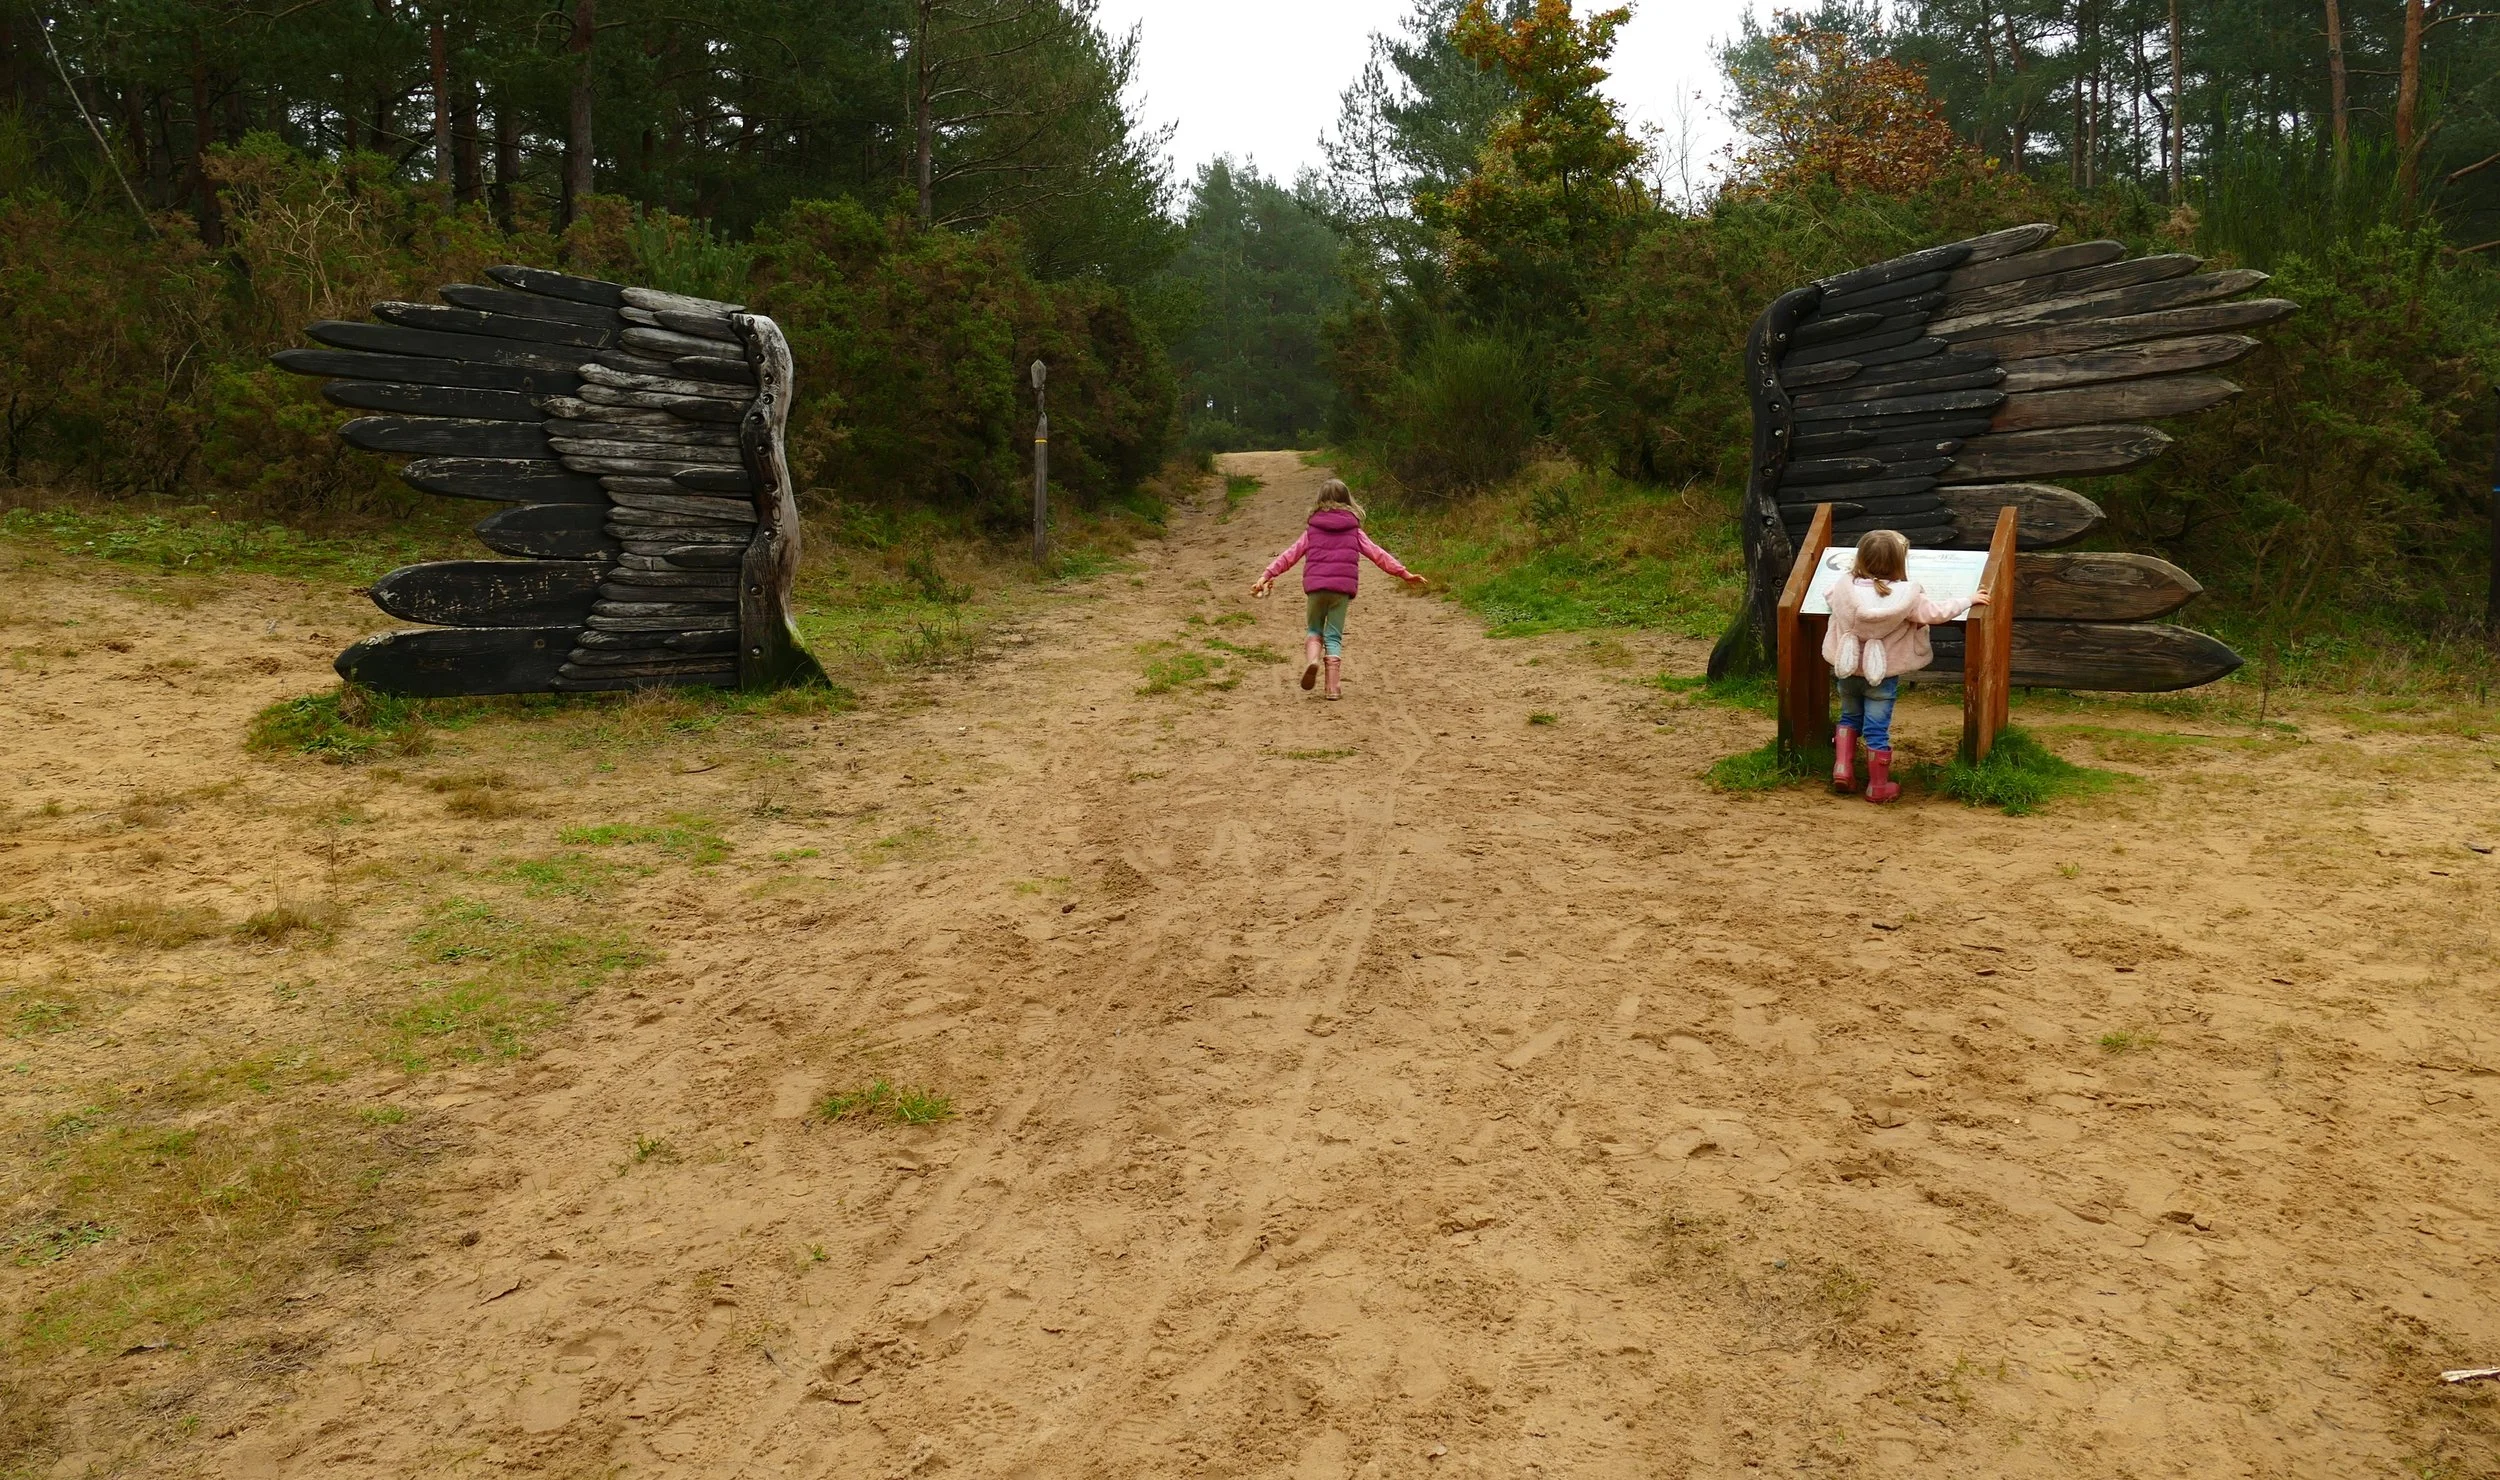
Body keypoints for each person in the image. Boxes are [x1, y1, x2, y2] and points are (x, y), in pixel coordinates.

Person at [1822, 529, 1988, 803]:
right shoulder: (1907, 596)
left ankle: (1842, 769)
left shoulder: (1843, 588)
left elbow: (1830, 597)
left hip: (1848, 670)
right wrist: (1967, 600)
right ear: (1900, 562)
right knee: (1877, 728)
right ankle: (1877, 786)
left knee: (1849, 717)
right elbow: (1935, 613)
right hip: (1882, 676)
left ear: (1860, 559)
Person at [1250, 479, 1425, 700]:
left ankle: (1313, 660)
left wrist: (1267, 574)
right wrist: (1403, 573)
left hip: (1315, 590)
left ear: (1319, 501)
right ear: (1347, 500)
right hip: (1340, 591)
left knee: (1314, 630)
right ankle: (1332, 688)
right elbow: (1378, 554)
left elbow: (1289, 555)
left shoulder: (1312, 530)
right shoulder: (1353, 530)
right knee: (1334, 636)